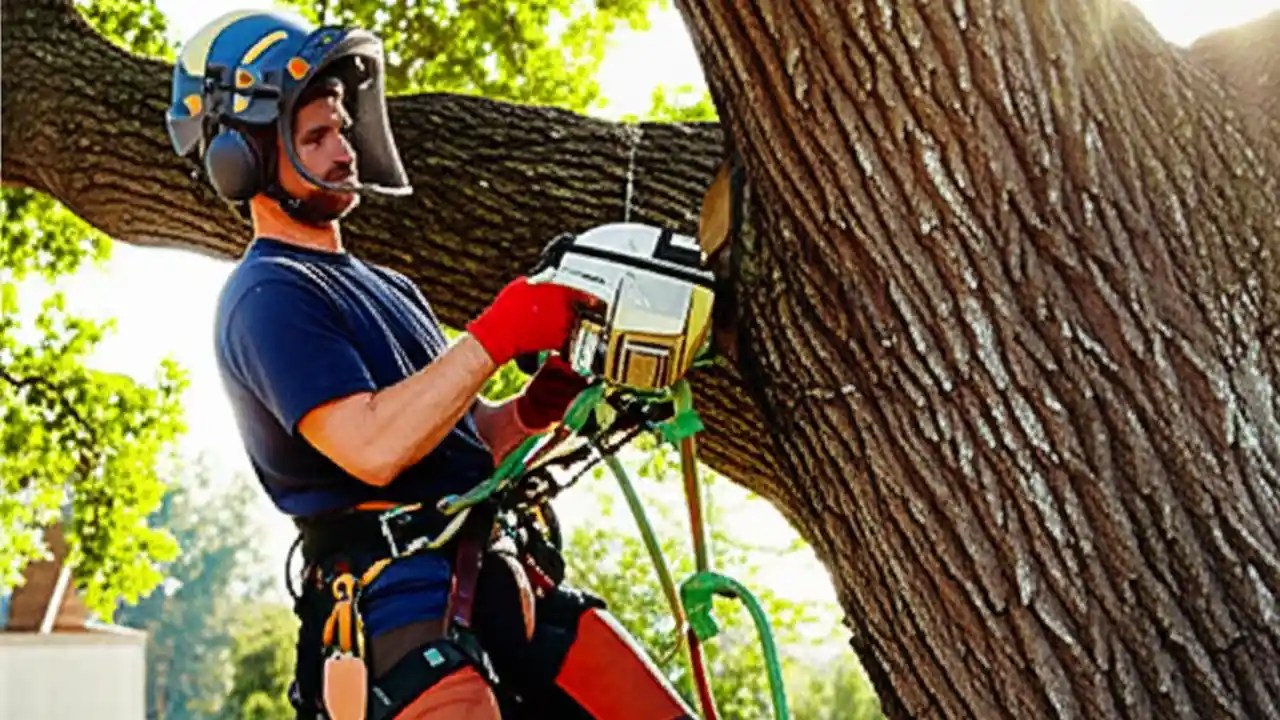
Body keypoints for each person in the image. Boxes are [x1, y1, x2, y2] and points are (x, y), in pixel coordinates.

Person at [164, 10, 697, 720]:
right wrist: (496, 334)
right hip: (395, 602)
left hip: (500, 577)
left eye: (342, 129)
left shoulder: (390, 286)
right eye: (316, 135)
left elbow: (465, 442)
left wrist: (540, 404)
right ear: (245, 156)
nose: (343, 149)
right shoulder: (267, 295)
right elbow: (373, 446)